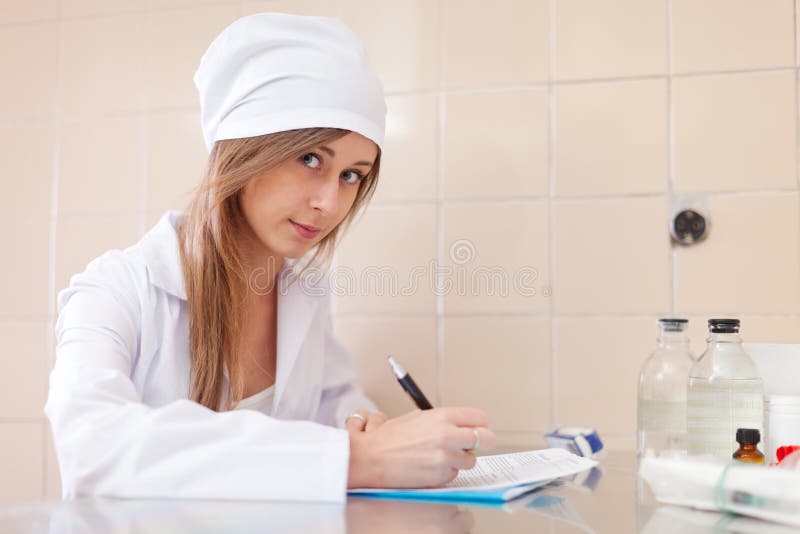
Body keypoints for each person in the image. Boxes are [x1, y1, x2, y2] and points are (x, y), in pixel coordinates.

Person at [44, 12, 495, 502]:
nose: (330, 203)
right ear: (244, 152)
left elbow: (336, 401)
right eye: (310, 159)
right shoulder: (118, 290)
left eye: (352, 175)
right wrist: (355, 458)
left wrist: (363, 426)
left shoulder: (303, 292)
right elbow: (91, 448)